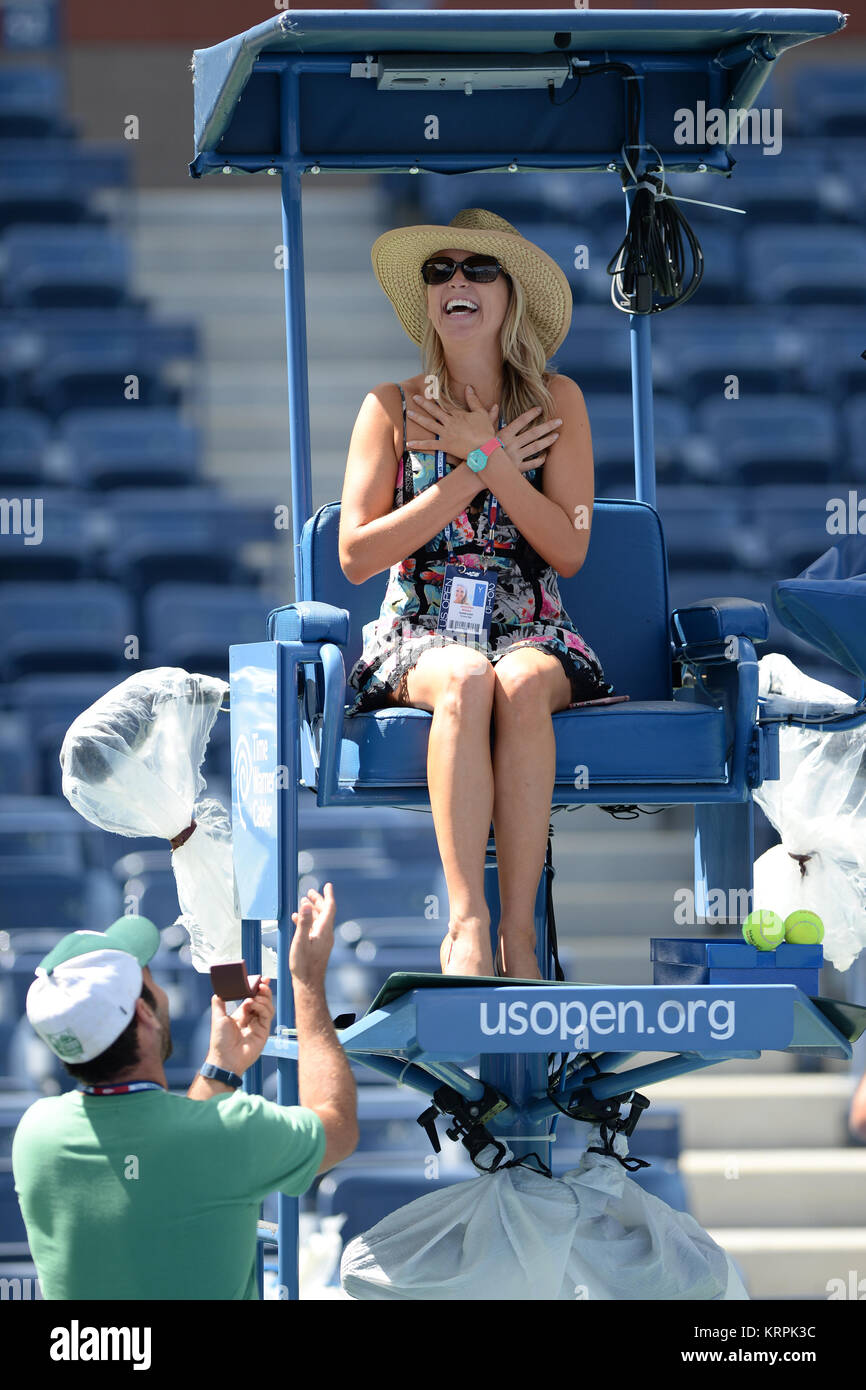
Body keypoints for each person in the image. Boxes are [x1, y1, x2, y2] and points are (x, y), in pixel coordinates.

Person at [339, 207, 625, 981]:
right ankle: (465, 930)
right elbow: (357, 556)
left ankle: (519, 941)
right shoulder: (390, 409)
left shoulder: (557, 402)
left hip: (532, 627)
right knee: (466, 678)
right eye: (440, 270)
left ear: (509, 297)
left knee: (522, 680)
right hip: (421, 630)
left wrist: (492, 459)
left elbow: (568, 548)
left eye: (477, 269)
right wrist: (472, 470)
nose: (456, 281)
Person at [12, 885, 357, 1300]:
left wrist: (220, 1069)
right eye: (150, 979)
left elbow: (170, 1164)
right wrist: (307, 983)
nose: (160, 992)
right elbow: (336, 1127)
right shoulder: (228, 1132)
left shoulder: (35, 1136)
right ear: (143, 1013)